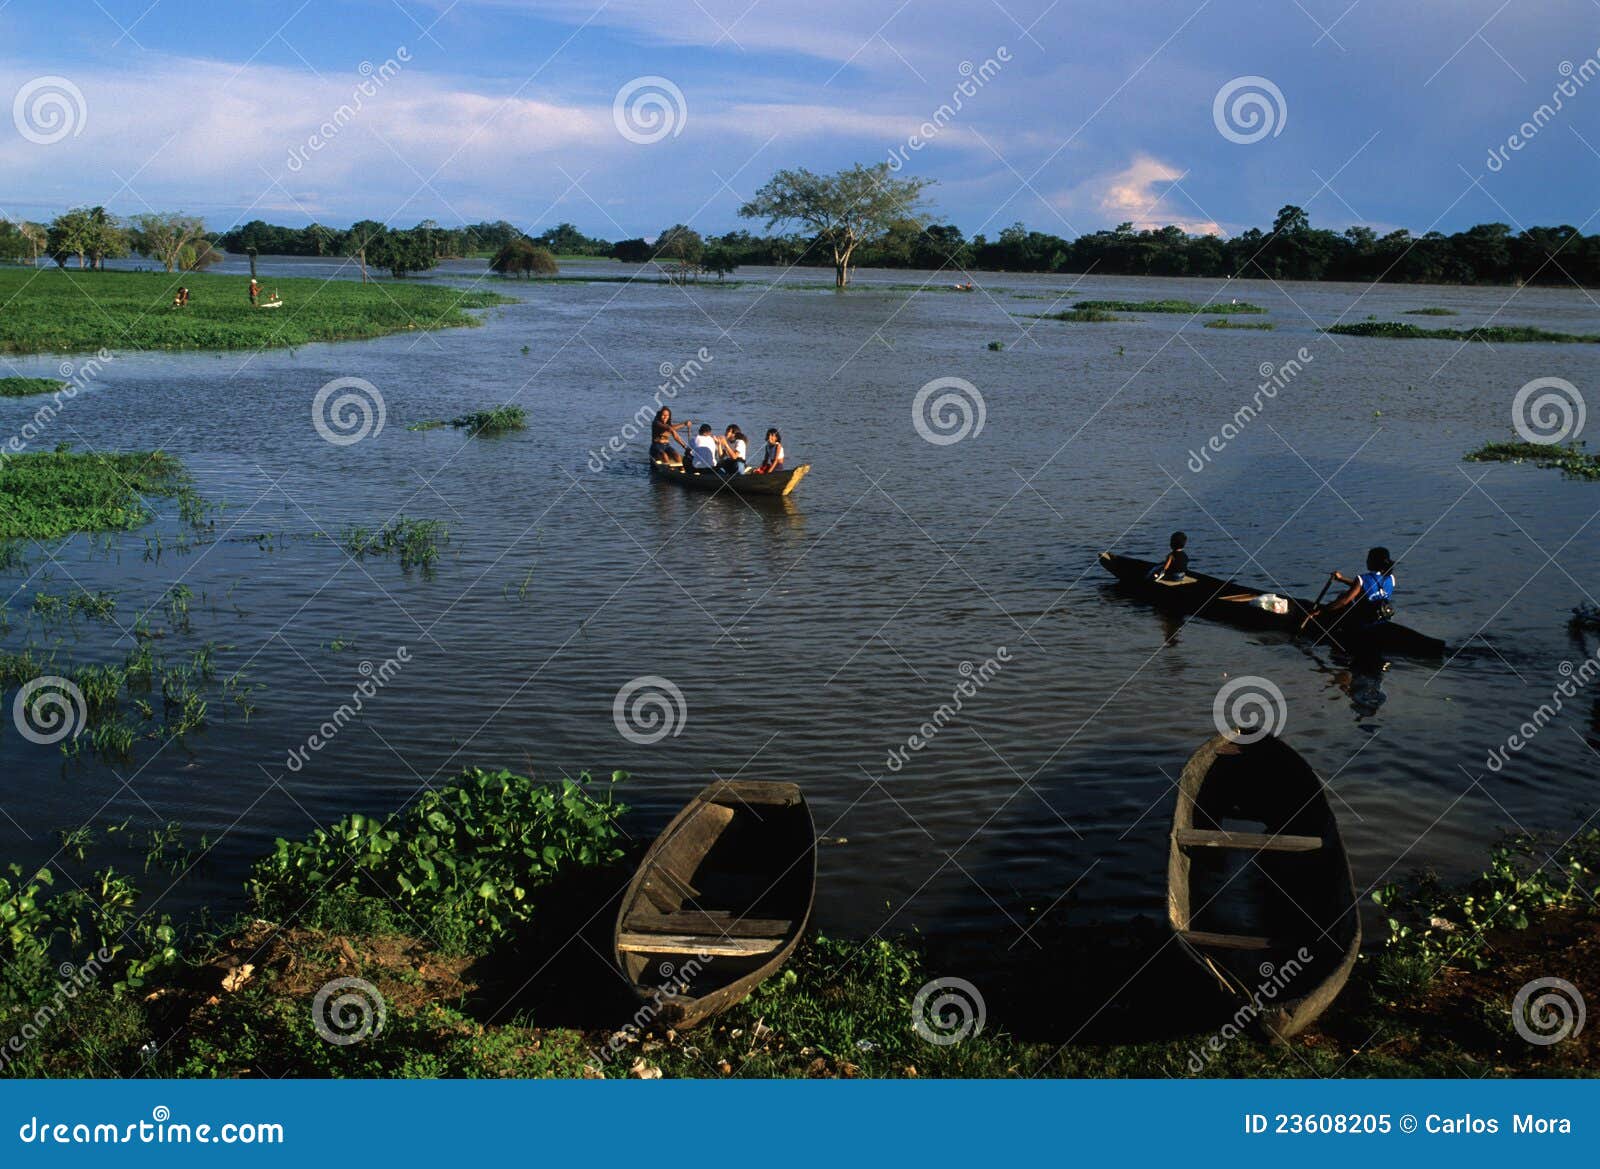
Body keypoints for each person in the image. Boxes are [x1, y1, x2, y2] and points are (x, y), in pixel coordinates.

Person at [1314, 547, 1397, 627]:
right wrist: (1341, 579)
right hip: (1383, 617)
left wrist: (1322, 610)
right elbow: (1365, 587)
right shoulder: (1391, 578)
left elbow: (1344, 601)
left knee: (1342, 596)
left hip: (1363, 621)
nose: (1367, 561)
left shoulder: (1362, 578)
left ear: (1374, 562)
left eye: (1368, 559)